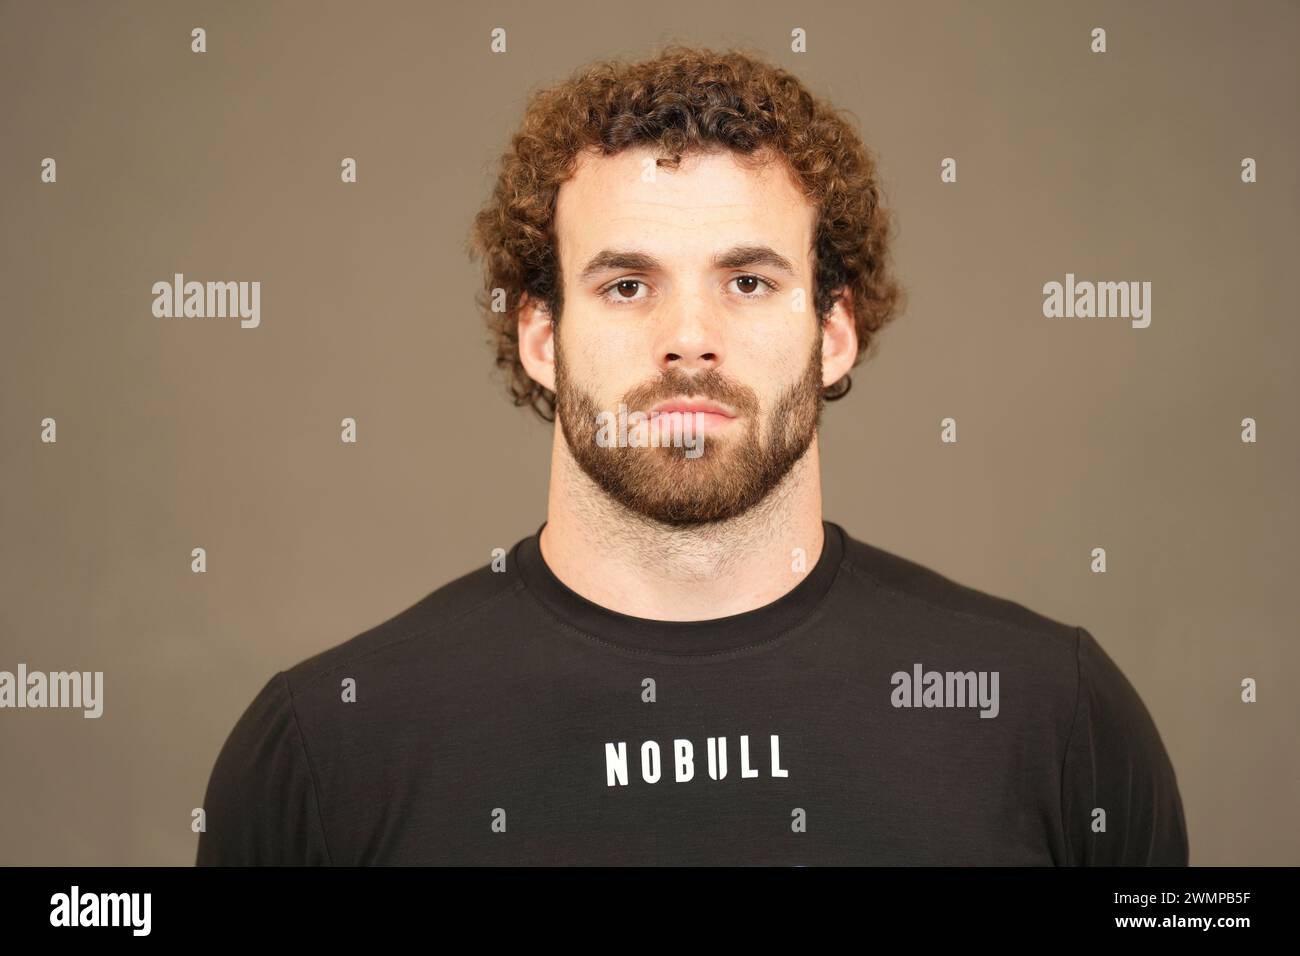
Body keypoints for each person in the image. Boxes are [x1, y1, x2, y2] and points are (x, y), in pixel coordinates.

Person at [196, 45, 1187, 866]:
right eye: (627, 285)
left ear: (834, 331)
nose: (688, 340)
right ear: (540, 335)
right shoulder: (329, 747)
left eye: (748, 282)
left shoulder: (1051, 715)